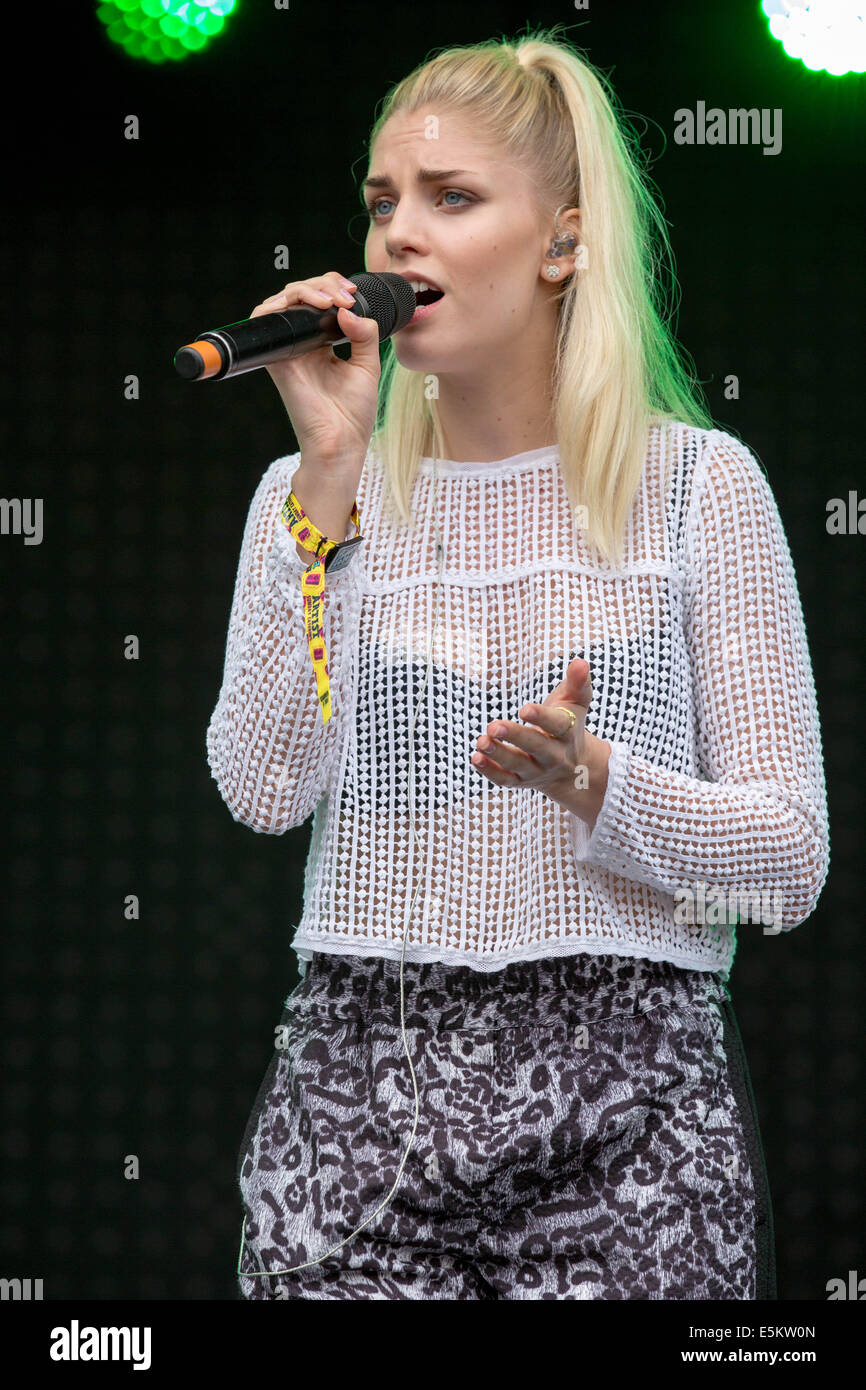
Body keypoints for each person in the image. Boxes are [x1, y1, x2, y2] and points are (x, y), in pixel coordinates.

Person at [206, 29, 829, 1300]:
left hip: (626, 1113)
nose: (397, 241)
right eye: (383, 204)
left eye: (450, 199)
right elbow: (261, 784)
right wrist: (330, 476)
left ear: (561, 239)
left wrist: (603, 783)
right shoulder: (309, 494)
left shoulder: (694, 489)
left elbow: (789, 856)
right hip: (357, 1105)